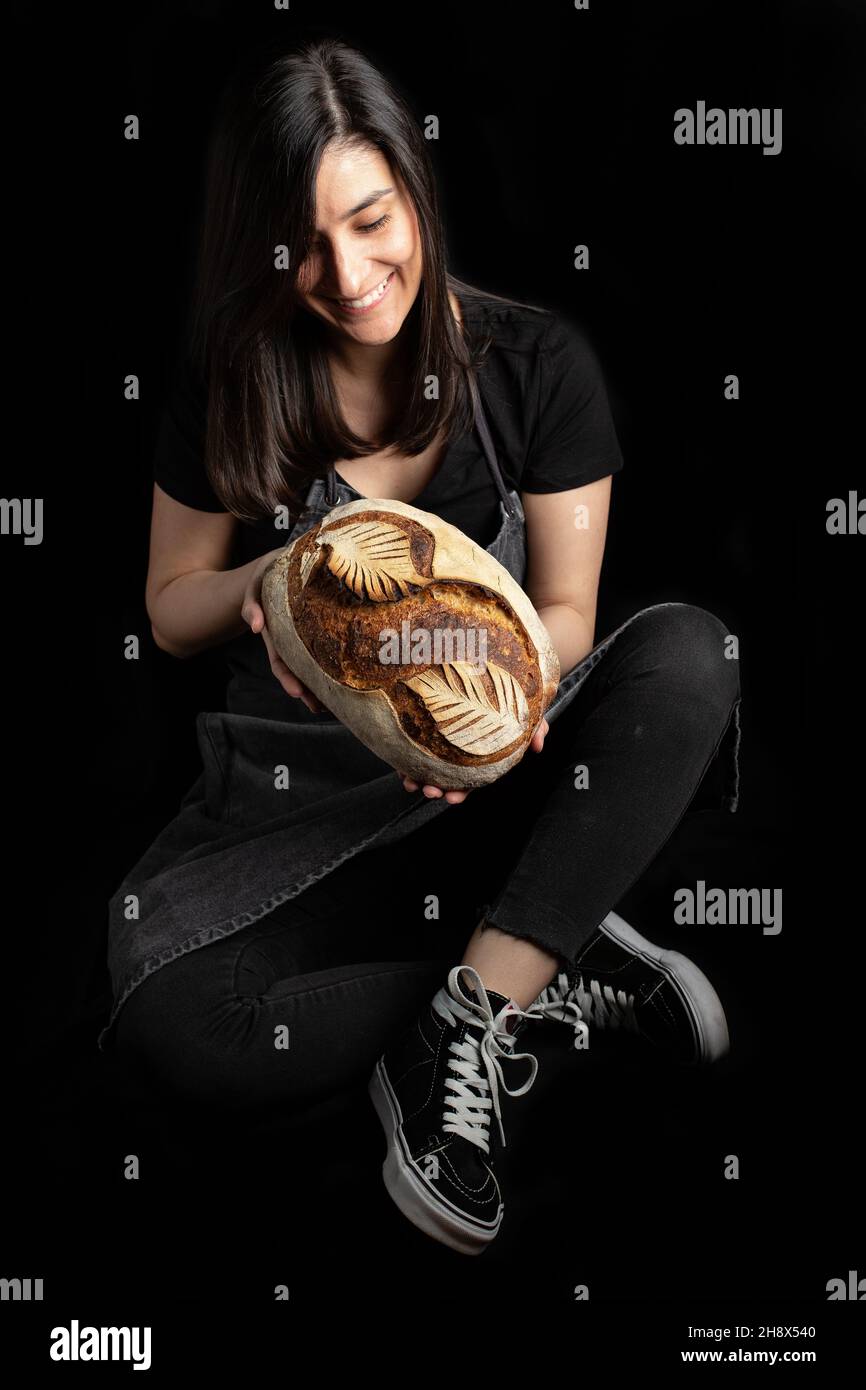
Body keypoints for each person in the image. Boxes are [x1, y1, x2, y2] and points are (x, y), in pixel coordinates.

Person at [109, 38, 742, 1256]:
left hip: (495, 782)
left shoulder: (541, 368)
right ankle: (525, 977)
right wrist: (274, 580)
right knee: (169, 1027)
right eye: (305, 245)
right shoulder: (234, 373)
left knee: (689, 654)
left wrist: (484, 724)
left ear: (415, 189)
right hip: (298, 814)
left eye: (370, 219)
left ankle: (472, 1011)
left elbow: (565, 619)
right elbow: (170, 603)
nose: (349, 275)